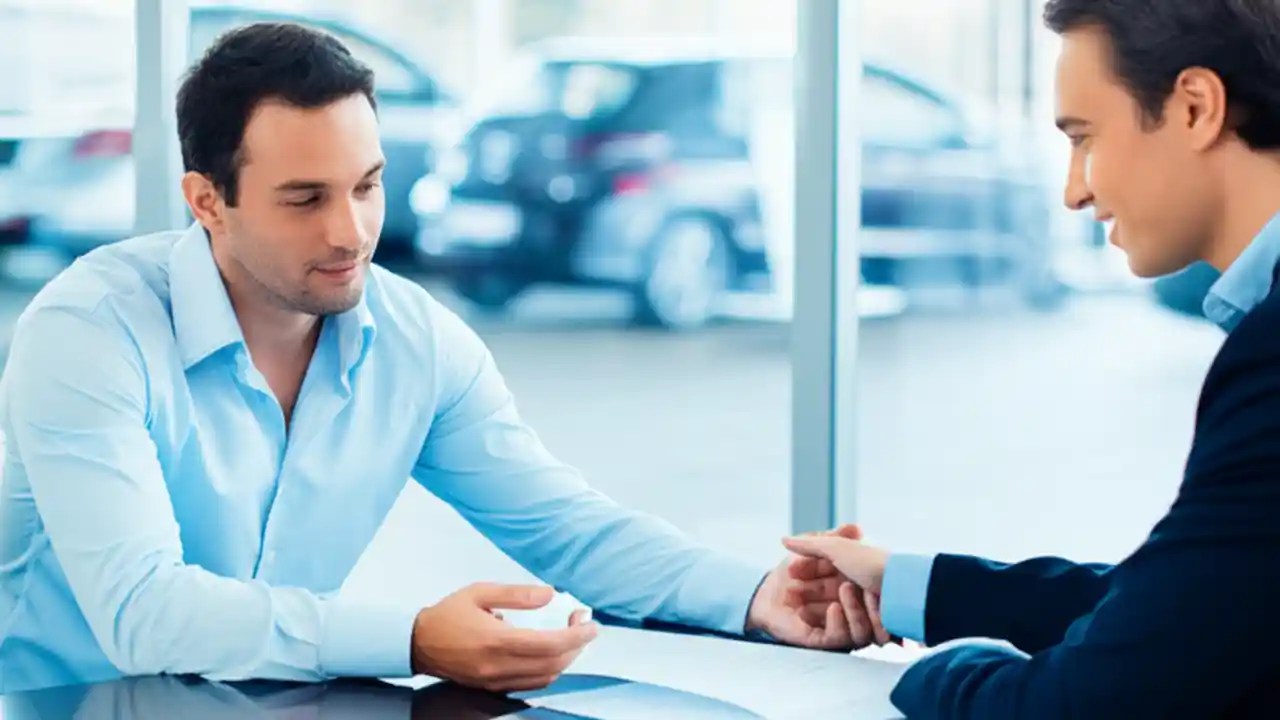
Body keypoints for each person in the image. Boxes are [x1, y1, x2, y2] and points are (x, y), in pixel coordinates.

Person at [0, 22, 861, 695]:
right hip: (59, 700)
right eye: (304, 200)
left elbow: (568, 527)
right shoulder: (90, 330)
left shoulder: (415, 341)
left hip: (264, 701)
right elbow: (144, 614)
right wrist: (413, 637)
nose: (351, 233)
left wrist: (755, 595)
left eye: (366, 185)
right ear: (206, 202)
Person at [782, 1, 1280, 717]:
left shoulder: (1270, 357)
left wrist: (934, 674)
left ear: (1196, 108)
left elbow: (1090, 701)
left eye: (1085, 139)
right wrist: (910, 587)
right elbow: (1198, 599)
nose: (1074, 190)